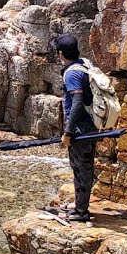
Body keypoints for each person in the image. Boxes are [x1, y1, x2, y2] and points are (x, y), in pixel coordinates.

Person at [51, 34, 95, 222]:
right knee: (80, 167)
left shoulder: (72, 73)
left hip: (80, 129)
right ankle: (80, 207)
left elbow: (77, 103)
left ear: (60, 53)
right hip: (87, 126)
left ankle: (82, 212)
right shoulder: (82, 66)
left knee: (82, 169)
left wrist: (68, 132)